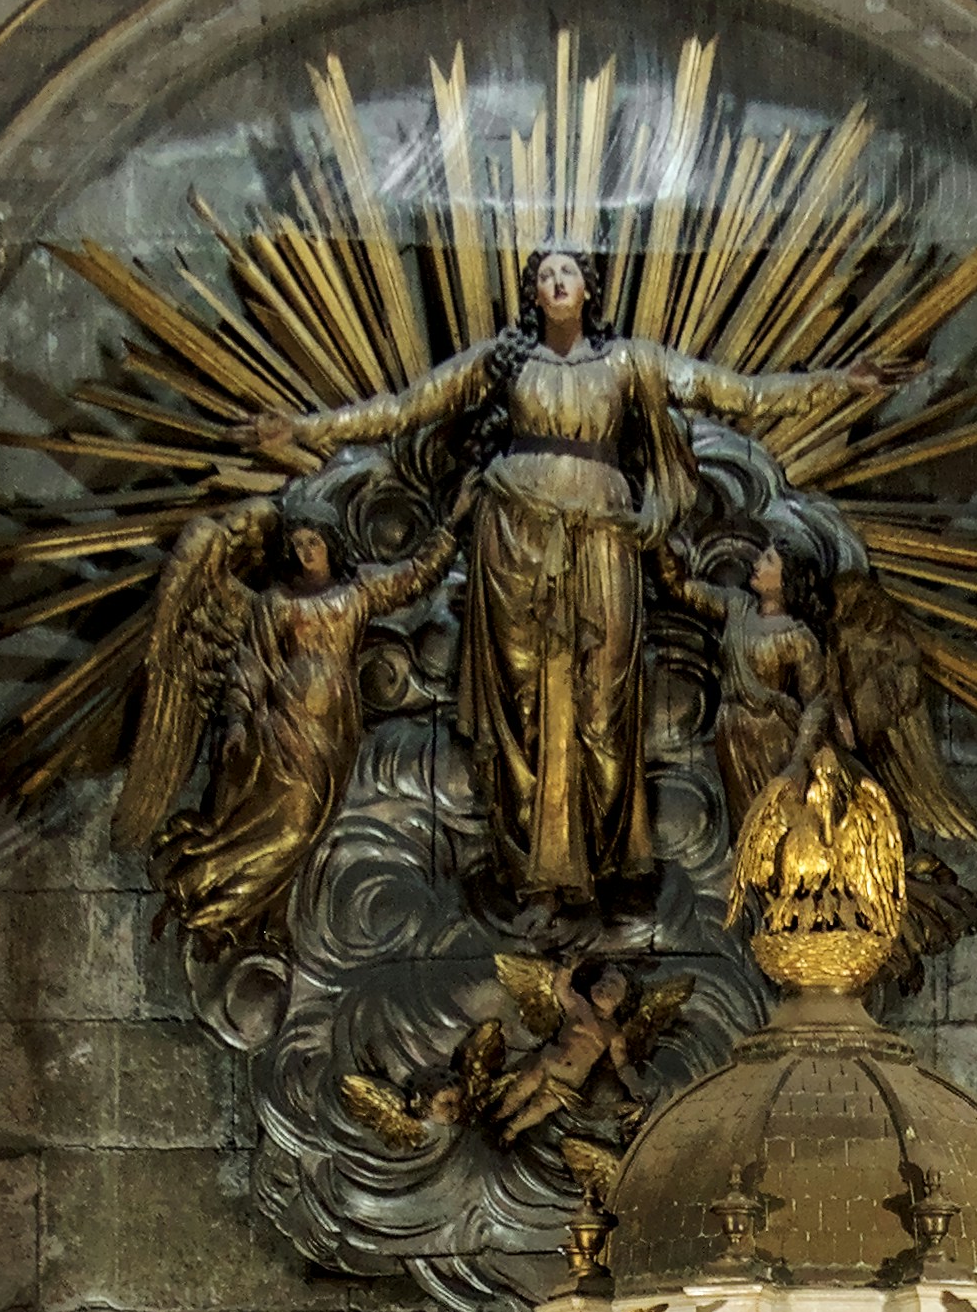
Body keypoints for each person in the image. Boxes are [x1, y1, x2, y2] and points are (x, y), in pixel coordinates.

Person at [251, 250, 896, 902]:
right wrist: (304, 429)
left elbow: (734, 393)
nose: (556, 283)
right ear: (534, 292)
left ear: (590, 287)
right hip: (513, 542)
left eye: (568, 272)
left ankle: (601, 864)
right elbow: (404, 409)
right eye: (544, 276)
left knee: (604, 696)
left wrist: (841, 383)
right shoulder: (504, 363)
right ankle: (531, 867)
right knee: (523, 699)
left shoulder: (628, 362)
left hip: (604, 541)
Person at [123, 505, 446, 956]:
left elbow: (414, 576)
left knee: (310, 831)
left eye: (312, 542)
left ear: (331, 545)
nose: (305, 552)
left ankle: (258, 912)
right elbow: (250, 668)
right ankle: (214, 902)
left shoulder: (357, 593)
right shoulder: (276, 604)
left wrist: (453, 525)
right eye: (297, 545)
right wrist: (237, 720)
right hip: (281, 733)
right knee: (290, 829)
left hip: (334, 736)